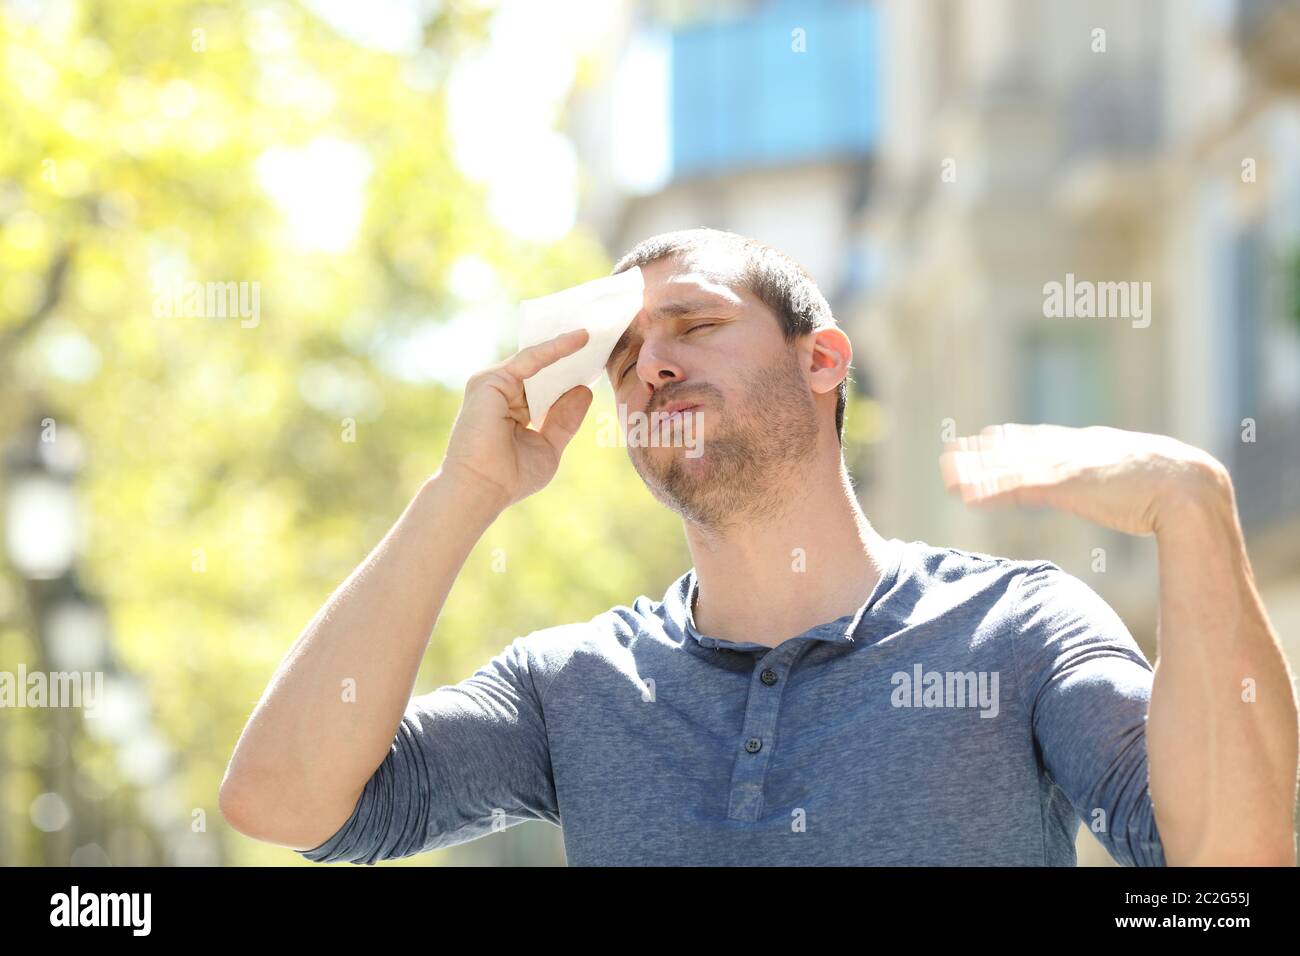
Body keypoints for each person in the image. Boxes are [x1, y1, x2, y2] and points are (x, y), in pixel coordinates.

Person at [219, 228, 1298, 866]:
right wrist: (462, 494)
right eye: (626, 354)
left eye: (693, 326)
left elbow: (1235, 859)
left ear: (823, 360)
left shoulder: (1018, 630)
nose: (651, 368)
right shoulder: (571, 685)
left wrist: (1192, 507)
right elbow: (282, 798)